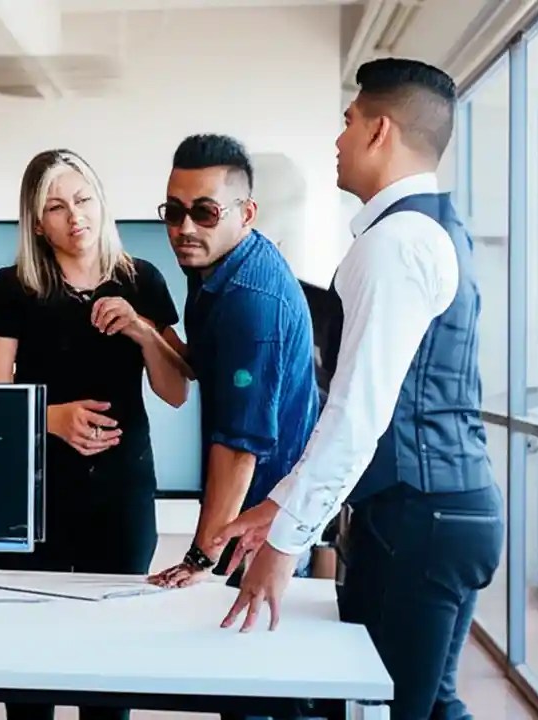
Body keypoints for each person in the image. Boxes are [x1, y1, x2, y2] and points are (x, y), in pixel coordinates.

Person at [213, 59, 504, 720]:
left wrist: (287, 546)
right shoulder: (434, 229)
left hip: (418, 519)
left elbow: (355, 416)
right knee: (432, 708)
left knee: (390, 709)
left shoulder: (396, 244)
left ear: (379, 131)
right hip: (452, 508)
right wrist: (277, 506)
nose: (337, 140)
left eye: (347, 123)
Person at [0, 148, 190, 720]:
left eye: (83, 198)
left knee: (109, 660)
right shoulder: (10, 288)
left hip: (121, 490)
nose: (75, 216)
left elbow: (176, 390)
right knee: (28, 666)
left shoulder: (142, 279)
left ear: (102, 202)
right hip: (35, 494)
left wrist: (144, 332)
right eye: (55, 206)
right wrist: (52, 417)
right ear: (36, 221)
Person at [146, 136, 321, 720]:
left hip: (263, 522)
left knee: (257, 694)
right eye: (173, 211)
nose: (184, 227)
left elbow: (239, 445)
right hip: (252, 512)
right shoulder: (219, 268)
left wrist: (202, 553)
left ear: (246, 213)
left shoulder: (251, 297)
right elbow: (207, 366)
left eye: (204, 211)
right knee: (246, 684)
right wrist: (149, 333)